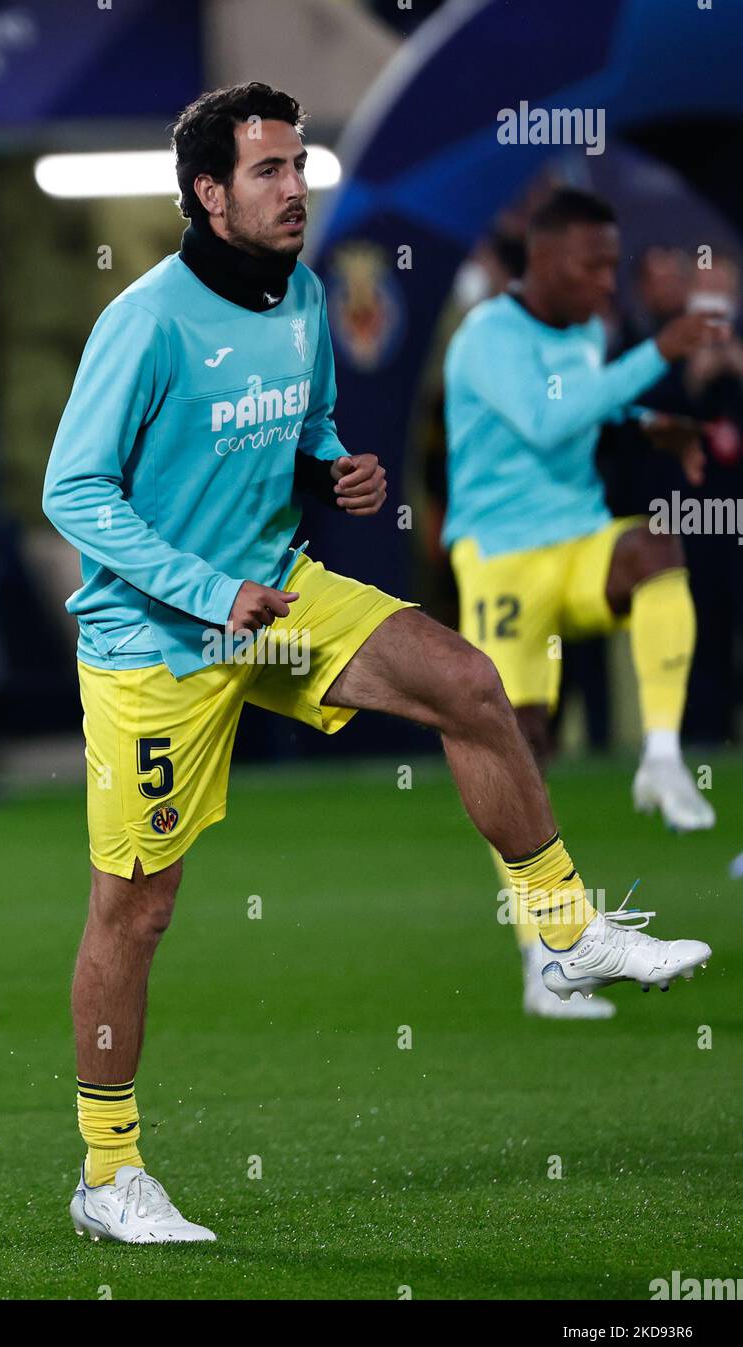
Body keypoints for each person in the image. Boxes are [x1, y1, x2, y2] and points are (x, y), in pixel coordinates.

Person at [43, 88, 712, 1245]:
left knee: (467, 681)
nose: (295, 188)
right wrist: (210, 594)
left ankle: (559, 927)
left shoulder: (300, 294)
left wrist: (331, 471)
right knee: (135, 909)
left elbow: (297, 437)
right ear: (208, 194)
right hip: (160, 639)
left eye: (297, 165)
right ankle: (108, 1174)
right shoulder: (144, 323)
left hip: (279, 597)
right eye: (267, 173)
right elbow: (74, 492)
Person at [443, 189, 722, 1021]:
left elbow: (582, 409)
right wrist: (657, 357)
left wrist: (644, 421)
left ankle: (663, 757)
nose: (607, 282)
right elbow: (541, 417)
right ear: (544, 256)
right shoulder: (488, 333)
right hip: (501, 560)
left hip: (578, 540)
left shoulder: (587, 332)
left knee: (656, 550)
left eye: (612, 264)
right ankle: (545, 961)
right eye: (591, 264)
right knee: (518, 747)